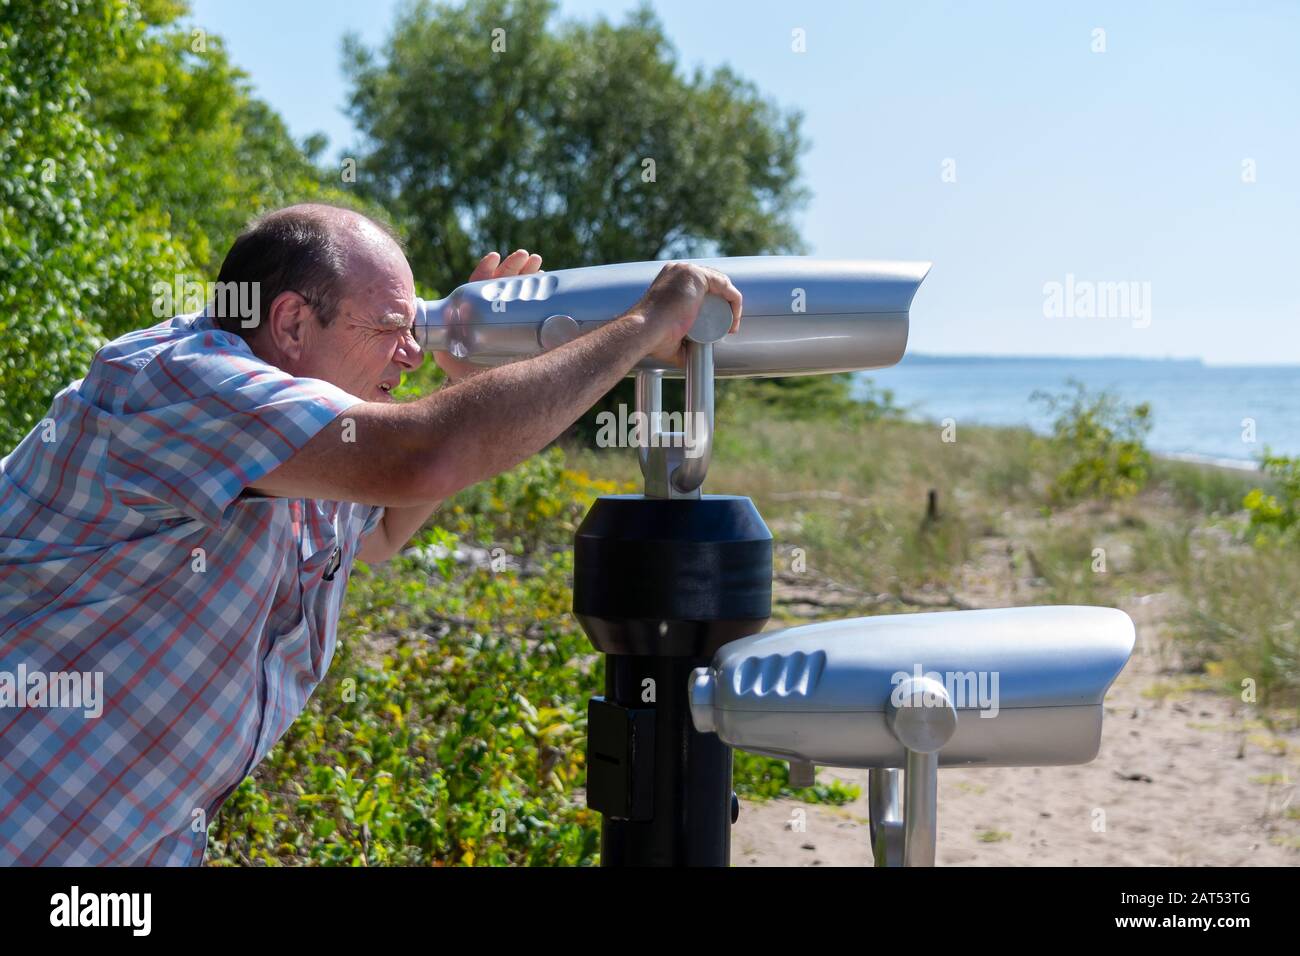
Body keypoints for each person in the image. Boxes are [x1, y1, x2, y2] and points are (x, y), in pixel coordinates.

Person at [0, 202, 742, 865]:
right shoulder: (176, 382)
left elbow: (382, 533)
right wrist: (647, 324)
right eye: (391, 327)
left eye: (415, 328)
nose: (412, 353)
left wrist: (462, 380)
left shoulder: (306, 438)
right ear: (291, 322)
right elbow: (420, 456)